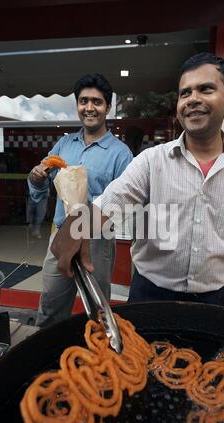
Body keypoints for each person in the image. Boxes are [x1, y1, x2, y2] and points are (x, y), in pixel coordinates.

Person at [51, 53, 224, 315]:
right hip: (150, 295)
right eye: (185, 93)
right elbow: (110, 203)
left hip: (219, 301)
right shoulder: (151, 161)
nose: (193, 100)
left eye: (206, 89)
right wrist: (75, 228)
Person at [28, 73, 133, 327]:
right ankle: (48, 355)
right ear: (77, 105)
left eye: (96, 102)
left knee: (98, 309)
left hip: (96, 239)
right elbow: (39, 183)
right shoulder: (64, 145)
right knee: (51, 304)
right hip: (62, 234)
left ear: (107, 107)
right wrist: (37, 179)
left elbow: (126, 205)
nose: (89, 107)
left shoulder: (121, 154)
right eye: (83, 101)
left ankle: (97, 357)